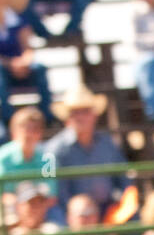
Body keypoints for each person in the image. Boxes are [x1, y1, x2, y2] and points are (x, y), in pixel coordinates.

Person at [45, 84, 126, 215]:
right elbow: (52, 188)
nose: (80, 117)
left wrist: (122, 203)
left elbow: (123, 176)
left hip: (109, 210)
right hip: (71, 214)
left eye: (85, 111)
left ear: (95, 116)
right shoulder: (52, 150)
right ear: (67, 118)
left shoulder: (108, 143)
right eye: (75, 112)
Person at [0, 0, 53, 126]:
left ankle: (47, 115)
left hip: (21, 66)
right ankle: (7, 117)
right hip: (4, 68)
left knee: (40, 68)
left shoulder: (18, 19)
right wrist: (11, 64)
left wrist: (24, 61)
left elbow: (28, 48)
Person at [0, 106, 48, 222]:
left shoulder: (48, 157)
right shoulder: (3, 156)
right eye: (24, 128)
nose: (28, 134)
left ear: (40, 133)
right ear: (13, 132)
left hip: (43, 211)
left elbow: (51, 195)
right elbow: (3, 195)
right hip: (10, 210)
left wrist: (34, 209)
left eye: (34, 129)